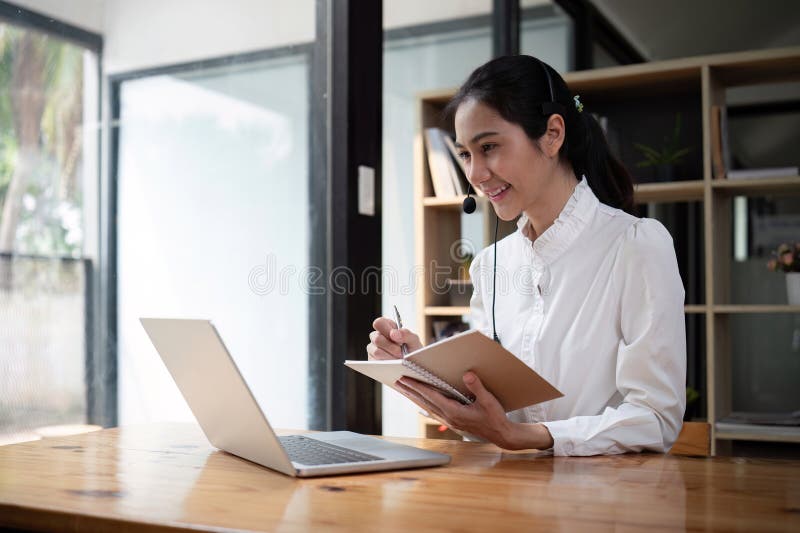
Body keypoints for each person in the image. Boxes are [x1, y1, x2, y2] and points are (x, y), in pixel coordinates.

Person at [367, 55, 686, 456]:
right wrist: (423, 369)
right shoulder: (491, 265)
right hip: (510, 499)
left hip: (607, 507)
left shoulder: (637, 245)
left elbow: (657, 419)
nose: (476, 174)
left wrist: (528, 438)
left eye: (489, 147)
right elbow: (490, 424)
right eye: (466, 154)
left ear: (553, 134)